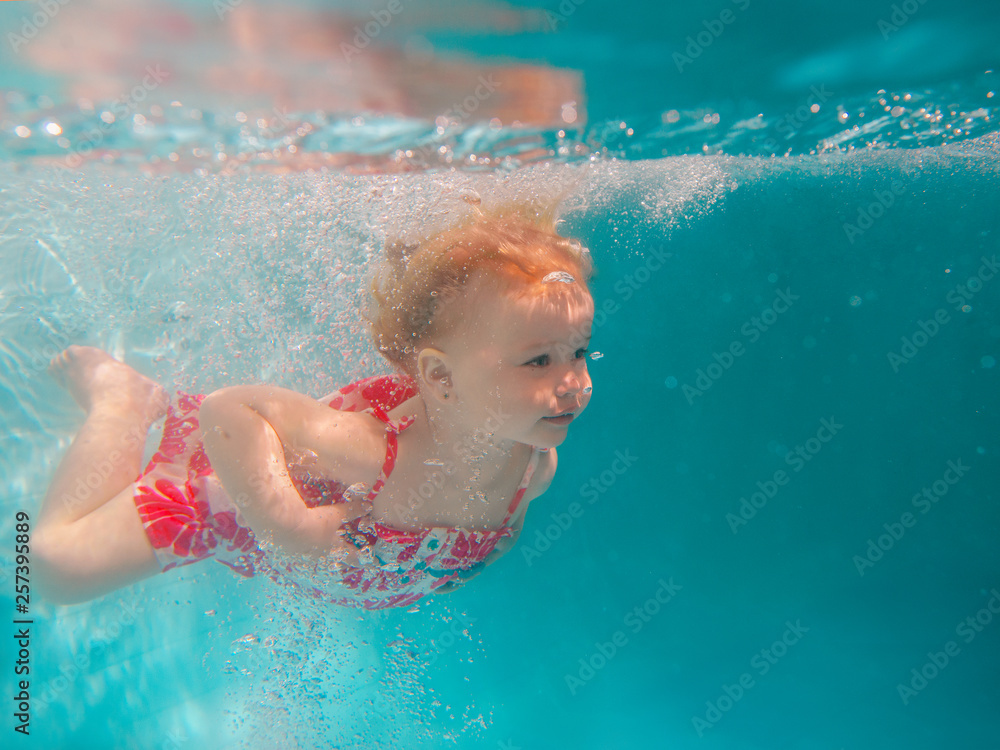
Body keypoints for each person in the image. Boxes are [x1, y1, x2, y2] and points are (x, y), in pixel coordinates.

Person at [34, 200, 594, 609]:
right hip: (235, 494)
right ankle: (122, 402)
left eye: (578, 352)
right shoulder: (377, 453)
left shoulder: (533, 464)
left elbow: (499, 522)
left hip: (306, 542)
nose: (573, 381)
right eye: (538, 362)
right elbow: (231, 411)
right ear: (441, 378)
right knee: (47, 571)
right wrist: (289, 529)